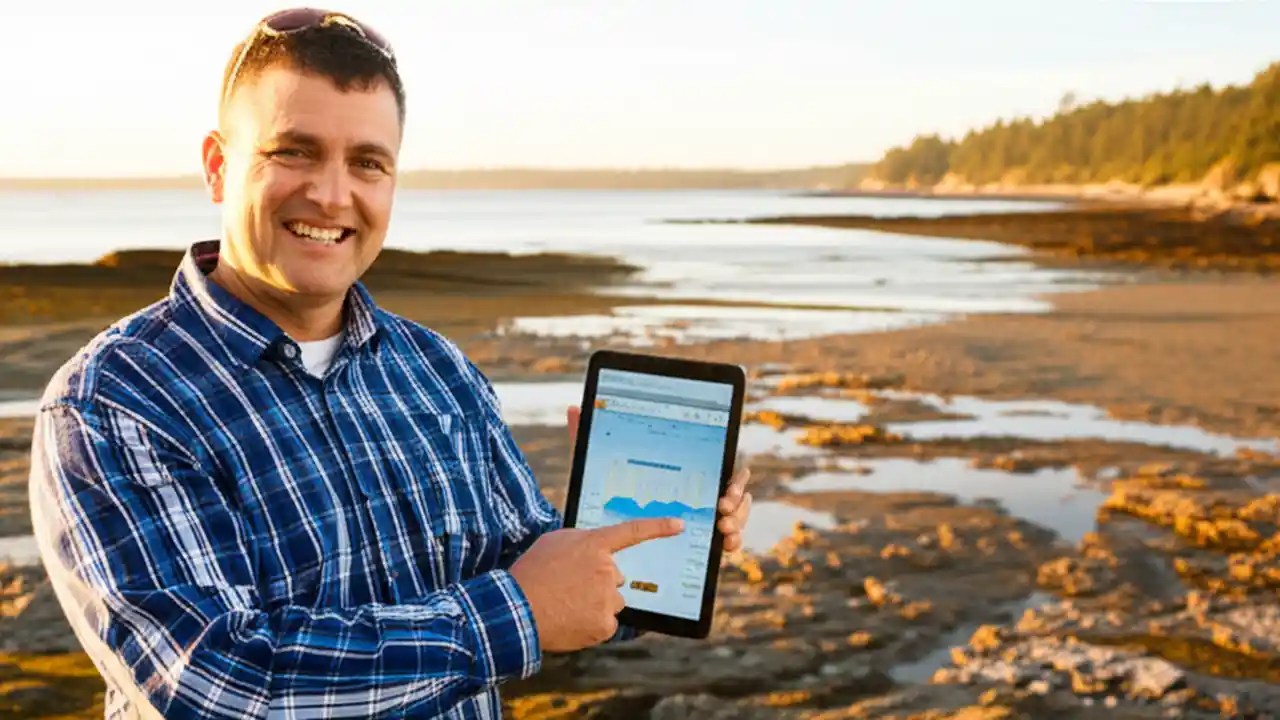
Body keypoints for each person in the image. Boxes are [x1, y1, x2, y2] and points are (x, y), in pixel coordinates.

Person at [28, 8, 753, 719]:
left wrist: (654, 544)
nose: (332, 193)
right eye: (294, 151)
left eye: (367, 162)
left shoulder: (436, 370)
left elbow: (540, 585)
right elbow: (215, 685)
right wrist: (510, 617)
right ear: (219, 167)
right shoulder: (115, 401)